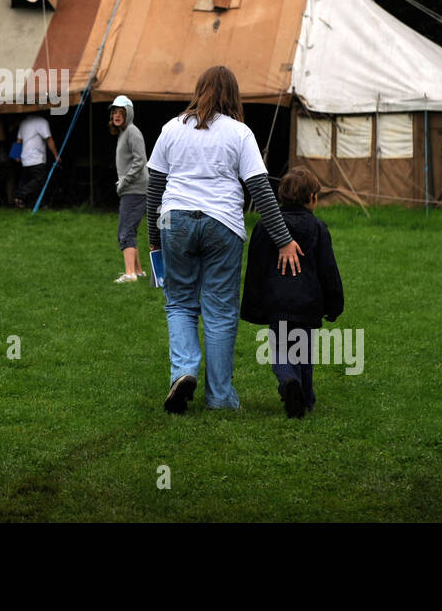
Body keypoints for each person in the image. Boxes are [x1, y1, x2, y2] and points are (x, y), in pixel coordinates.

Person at [145, 65, 302, 414]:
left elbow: (154, 188)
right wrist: (284, 239)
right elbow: (260, 190)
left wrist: (154, 239)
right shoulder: (240, 133)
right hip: (222, 224)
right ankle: (219, 398)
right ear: (234, 94)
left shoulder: (171, 129)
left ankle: (184, 373)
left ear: (199, 90)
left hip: (175, 221)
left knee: (180, 304)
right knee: (219, 312)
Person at [240, 167, 344, 418]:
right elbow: (328, 269)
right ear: (312, 198)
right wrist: (334, 304)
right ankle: (305, 397)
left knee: (282, 352)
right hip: (308, 303)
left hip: (278, 303)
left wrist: (254, 304)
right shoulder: (318, 228)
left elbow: (256, 266)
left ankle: (288, 381)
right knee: (304, 353)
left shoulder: (266, 226)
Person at [109, 95, 149, 283]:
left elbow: (140, 160)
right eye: (114, 112)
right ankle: (138, 272)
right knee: (129, 229)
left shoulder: (132, 132)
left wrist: (124, 182)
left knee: (124, 231)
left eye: (121, 112)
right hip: (131, 189)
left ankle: (130, 274)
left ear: (129, 113)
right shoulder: (124, 132)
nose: (117, 115)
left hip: (135, 189)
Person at [13, 113, 59, 208]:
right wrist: (56, 155)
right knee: (40, 180)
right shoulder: (42, 122)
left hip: (25, 159)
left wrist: (15, 155)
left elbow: (18, 140)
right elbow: (49, 139)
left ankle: (35, 204)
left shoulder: (24, 122)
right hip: (36, 158)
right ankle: (19, 194)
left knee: (33, 182)